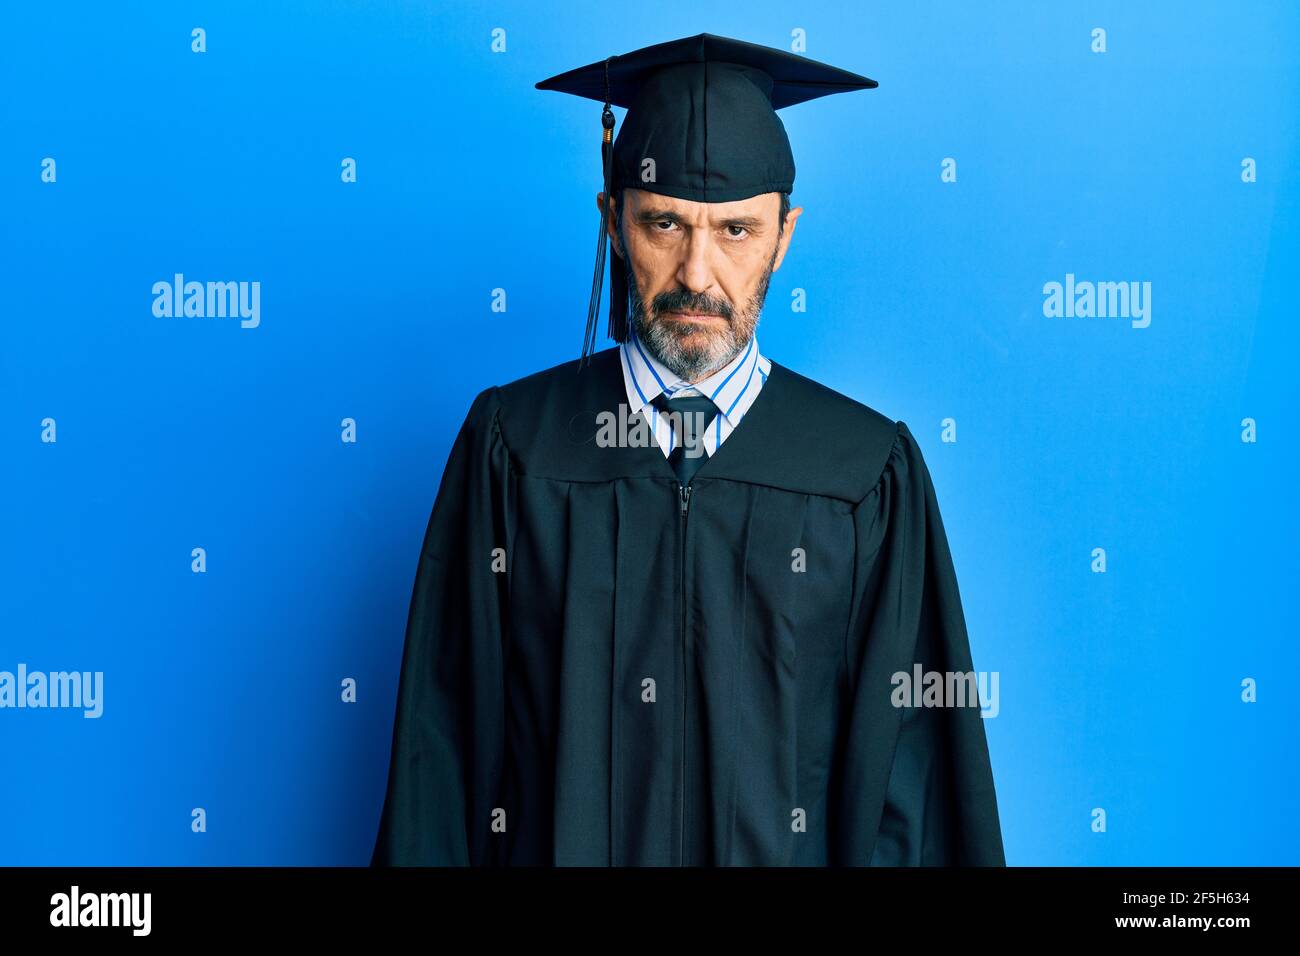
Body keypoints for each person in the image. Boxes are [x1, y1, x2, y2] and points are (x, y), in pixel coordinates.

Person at [371, 33, 1005, 866]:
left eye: (737, 230)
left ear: (784, 236)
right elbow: (440, 755)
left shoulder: (863, 473)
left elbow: (915, 786)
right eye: (663, 223)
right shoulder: (515, 449)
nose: (697, 275)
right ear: (612, 221)